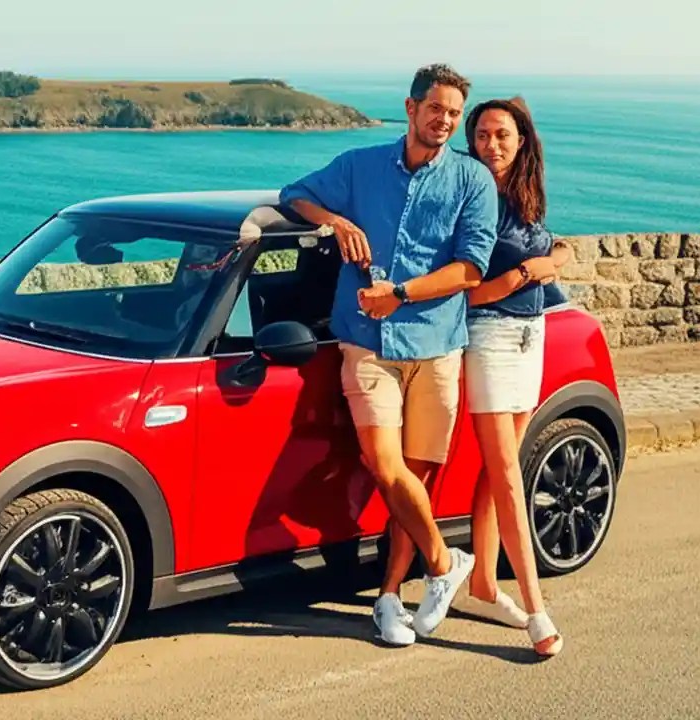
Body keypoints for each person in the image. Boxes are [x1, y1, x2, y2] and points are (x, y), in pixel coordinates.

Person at [278, 63, 499, 645]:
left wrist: (397, 293)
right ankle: (446, 565)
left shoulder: (473, 182)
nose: (446, 121)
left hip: (436, 347)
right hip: (367, 345)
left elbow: (471, 268)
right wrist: (335, 220)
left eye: (454, 114)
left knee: (415, 481)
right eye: (437, 110)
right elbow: (293, 195)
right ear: (410, 107)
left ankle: (386, 600)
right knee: (384, 464)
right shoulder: (358, 167)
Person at [452, 96, 574, 657]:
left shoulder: (526, 192)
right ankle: (536, 609)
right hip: (489, 337)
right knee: (507, 473)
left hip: (532, 335)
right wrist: (530, 271)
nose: (490, 145)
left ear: (522, 140)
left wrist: (556, 258)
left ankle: (481, 581)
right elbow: (468, 290)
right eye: (481, 135)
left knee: (496, 467)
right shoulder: (469, 197)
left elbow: (552, 248)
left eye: (502, 134)